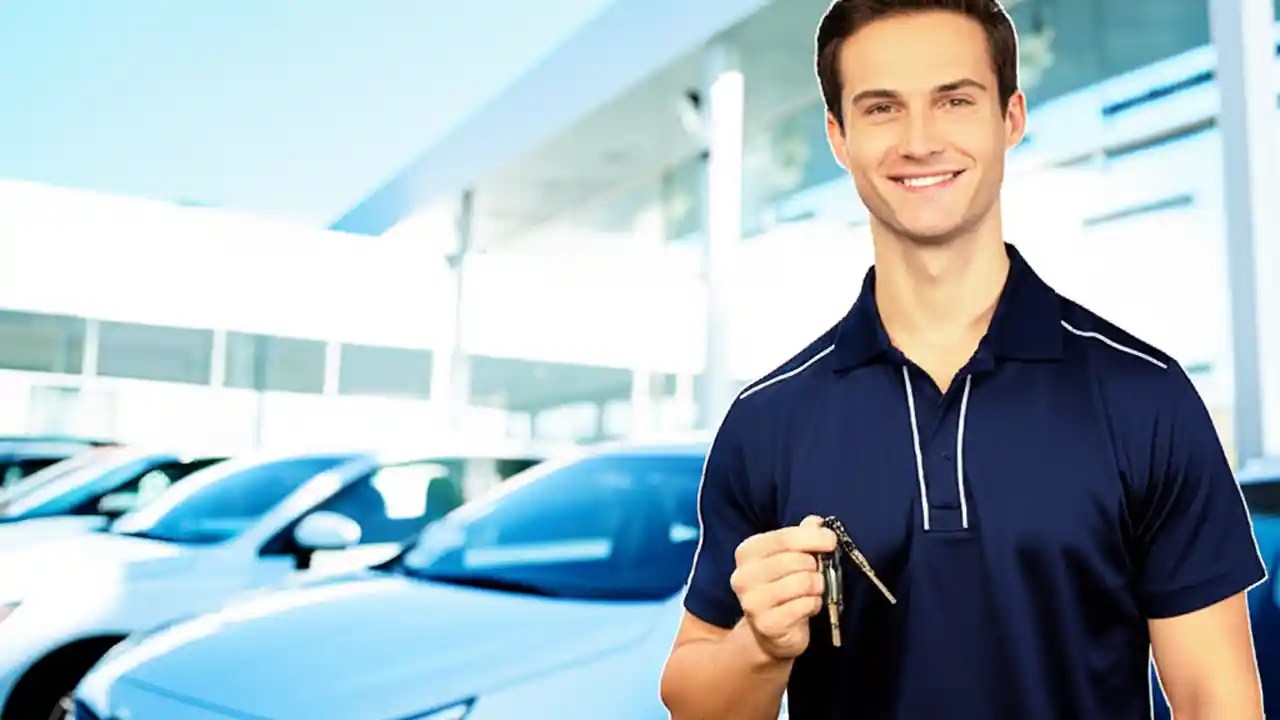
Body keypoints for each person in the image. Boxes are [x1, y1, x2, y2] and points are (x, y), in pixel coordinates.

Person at [658, 1, 1267, 718]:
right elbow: (692, 697)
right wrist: (759, 648)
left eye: (954, 100)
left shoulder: (1143, 395)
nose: (919, 141)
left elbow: (1215, 698)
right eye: (882, 108)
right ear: (838, 137)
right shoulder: (768, 420)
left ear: (1010, 117)